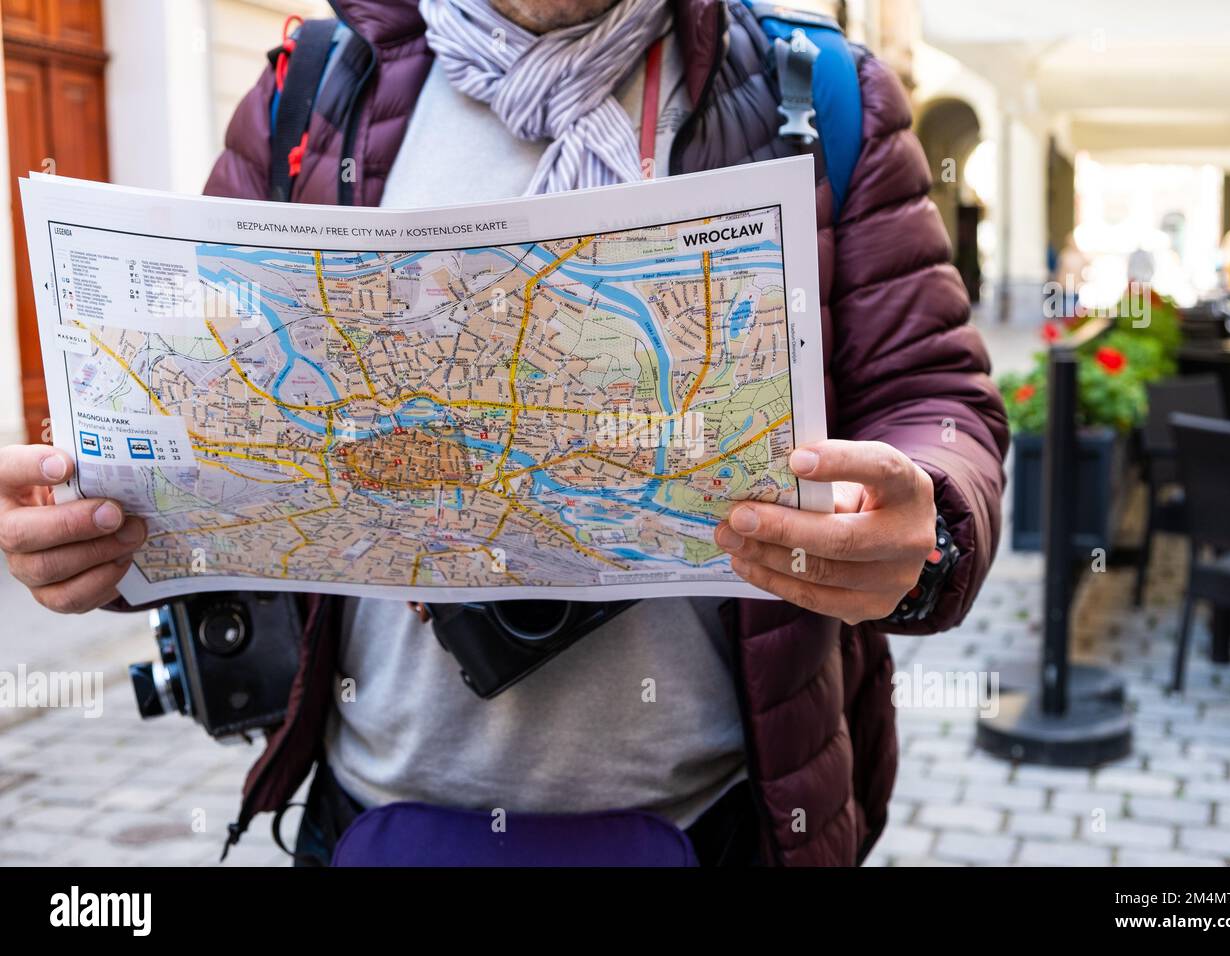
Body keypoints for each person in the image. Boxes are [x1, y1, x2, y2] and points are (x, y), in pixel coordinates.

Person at [0, 0, 1008, 866]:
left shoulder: (818, 94)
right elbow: (204, 417)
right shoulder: (310, 88)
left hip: (717, 817)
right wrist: (94, 527)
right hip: (375, 805)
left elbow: (935, 396)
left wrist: (927, 527)